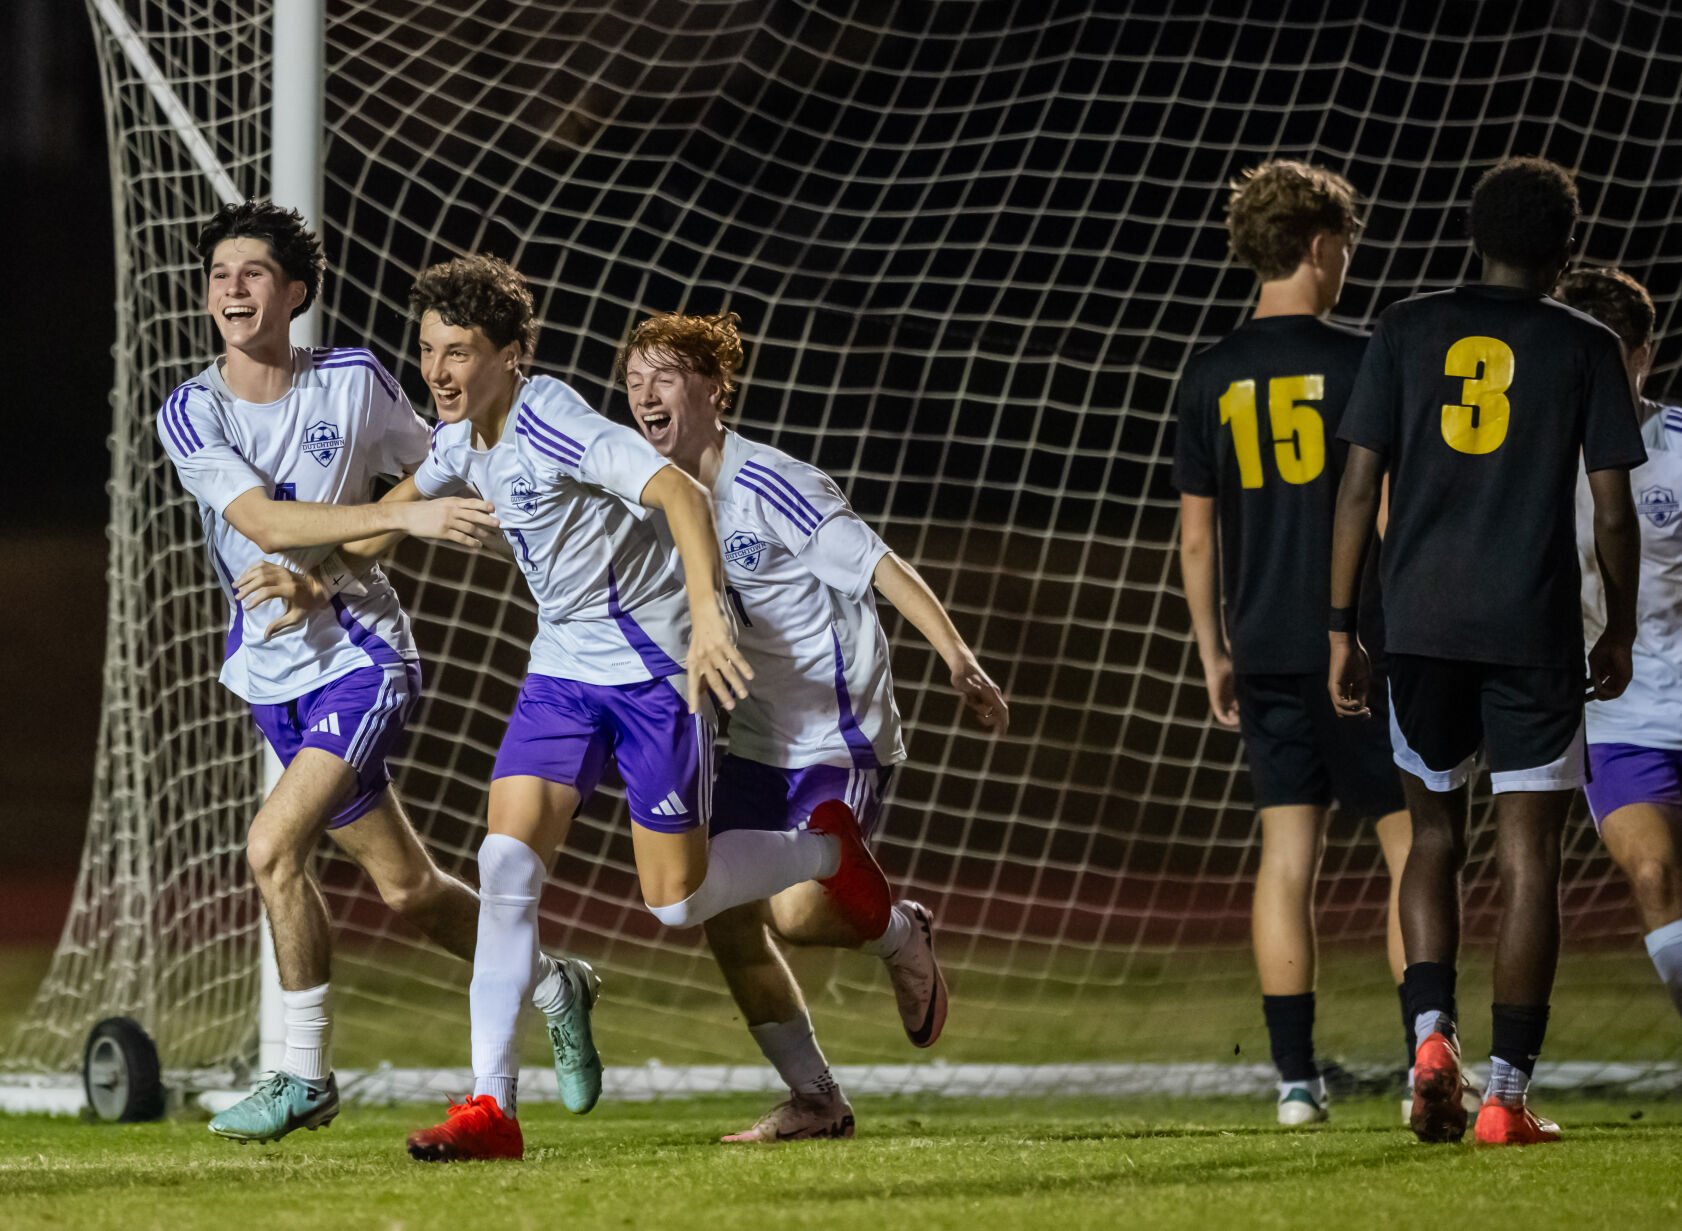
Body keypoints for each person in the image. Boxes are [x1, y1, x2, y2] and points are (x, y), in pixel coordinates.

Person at [313, 256, 892, 1161]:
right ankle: (490, 1109)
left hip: (657, 675)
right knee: (504, 864)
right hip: (564, 674)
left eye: (457, 351)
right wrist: (318, 568)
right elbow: (391, 512)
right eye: (426, 349)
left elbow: (681, 491)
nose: (436, 370)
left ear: (512, 356)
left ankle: (827, 848)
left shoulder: (557, 420)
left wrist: (707, 620)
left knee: (676, 904)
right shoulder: (464, 442)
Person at [157, 200, 547, 1144]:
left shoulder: (356, 379)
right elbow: (261, 522)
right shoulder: (192, 408)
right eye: (219, 275)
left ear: (294, 293)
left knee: (269, 849)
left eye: (253, 273)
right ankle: (552, 979)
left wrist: (492, 514)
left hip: (364, 660)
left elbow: (443, 469)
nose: (232, 289)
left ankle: (302, 1076)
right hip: (273, 677)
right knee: (408, 888)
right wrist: (386, 527)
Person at [616, 311, 1009, 1141]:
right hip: (752, 742)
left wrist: (958, 657)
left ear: (715, 390)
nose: (645, 394)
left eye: (667, 377)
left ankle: (902, 933)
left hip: (839, 739)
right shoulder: (654, 501)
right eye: (634, 379)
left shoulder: (773, 484)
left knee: (794, 914)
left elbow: (880, 566)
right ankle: (816, 1096)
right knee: (711, 904)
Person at [1329, 157, 1645, 1145]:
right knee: (1528, 861)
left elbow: (1353, 488)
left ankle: (1429, 1038)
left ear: (1477, 235)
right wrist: (1620, 627)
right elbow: (1609, 509)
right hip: (1530, 627)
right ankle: (1502, 1098)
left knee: (1428, 837)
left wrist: (1340, 622)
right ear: (1561, 249)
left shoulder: (1404, 327)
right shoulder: (1585, 343)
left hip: (1415, 623)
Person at [1173, 161, 1412, 1126]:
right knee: (1412, 851)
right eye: (1345, 243)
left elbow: (1198, 535)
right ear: (1320, 247)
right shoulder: (1365, 361)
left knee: (1287, 858)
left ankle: (1295, 1084)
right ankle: (1425, 1059)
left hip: (1264, 645)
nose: (1348, 260)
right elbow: (1390, 515)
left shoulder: (1211, 374)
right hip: (1364, 646)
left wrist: (1212, 652)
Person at [1558, 267, 1682, 1029]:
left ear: (1646, 354)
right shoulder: (1533, 461)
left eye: (1614, 360)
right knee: (1654, 870)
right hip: (1617, 716)